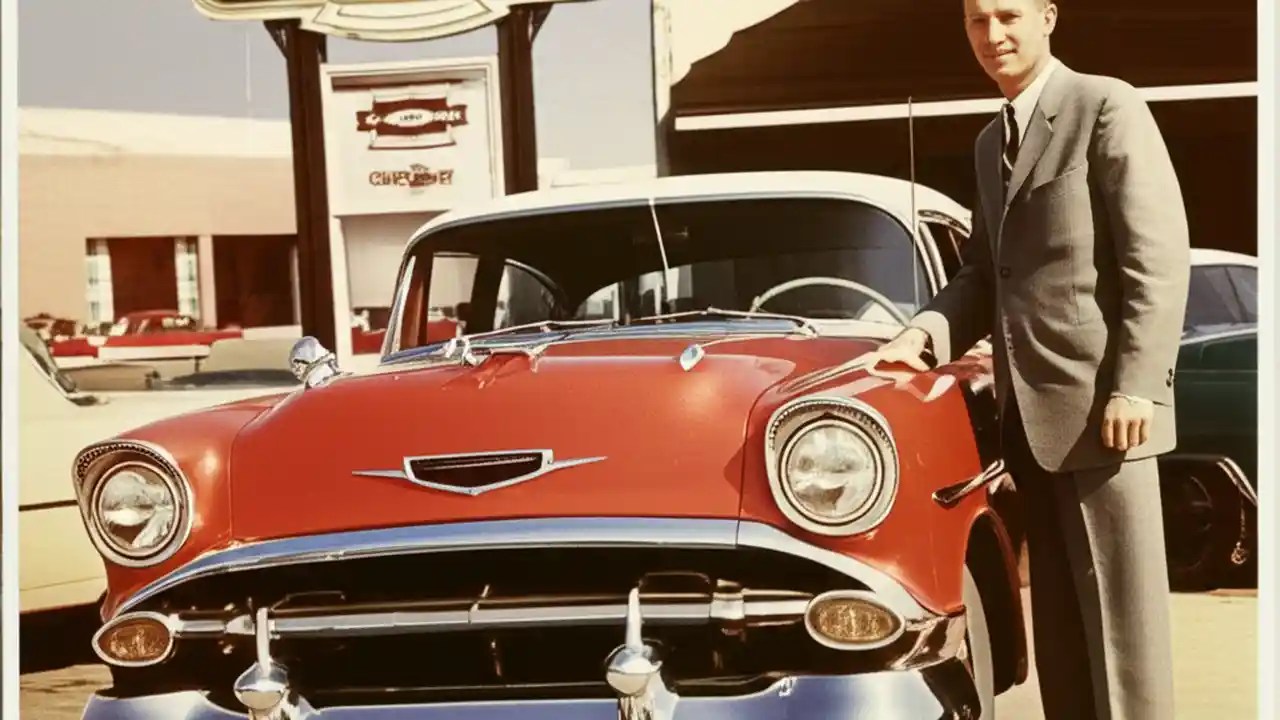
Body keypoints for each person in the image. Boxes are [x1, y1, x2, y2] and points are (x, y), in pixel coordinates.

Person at [860, 1, 1190, 718]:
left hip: (1109, 421)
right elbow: (986, 273)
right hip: (1032, 426)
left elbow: (1156, 259)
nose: (992, 36)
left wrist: (1136, 385)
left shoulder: (1105, 105)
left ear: (1048, 16)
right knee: (1064, 644)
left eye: (1008, 15)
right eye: (977, 22)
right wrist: (921, 336)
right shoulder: (990, 141)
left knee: (1125, 646)